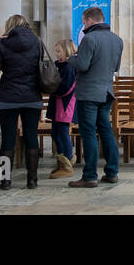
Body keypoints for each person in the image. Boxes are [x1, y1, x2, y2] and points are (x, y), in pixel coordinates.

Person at [0, 13, 43, 190]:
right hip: (32, 96)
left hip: (8, 97)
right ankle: (32, 181)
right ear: (26, 25)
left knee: (7, 139)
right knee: (31, 137)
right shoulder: (37, 42)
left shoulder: (2, 44)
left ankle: (5, 181)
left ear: (9, 26)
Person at [69, 6, 123, 188]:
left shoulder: (89, 38)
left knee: (89, 133)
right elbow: (115, 66)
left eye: (84, 22)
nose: (83, 25)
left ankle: (90, 175)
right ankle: (112, 172)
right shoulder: (117, 40)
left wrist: (71, 58)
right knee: (106, 131)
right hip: (107, 91)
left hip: (89, 92)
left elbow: (82, 65)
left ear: (90, 20)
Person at [47, 38, 78, 179]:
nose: (57, 54)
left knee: (63, 132)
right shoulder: (59, 65)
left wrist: (51, 89)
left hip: (65, 103)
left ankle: (67, 162)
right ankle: (62, 161)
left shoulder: (70, 67)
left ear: (67, 51)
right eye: (56, 51)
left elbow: (66, 87)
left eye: (59, 51)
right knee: (55, 132)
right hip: (57, 103)